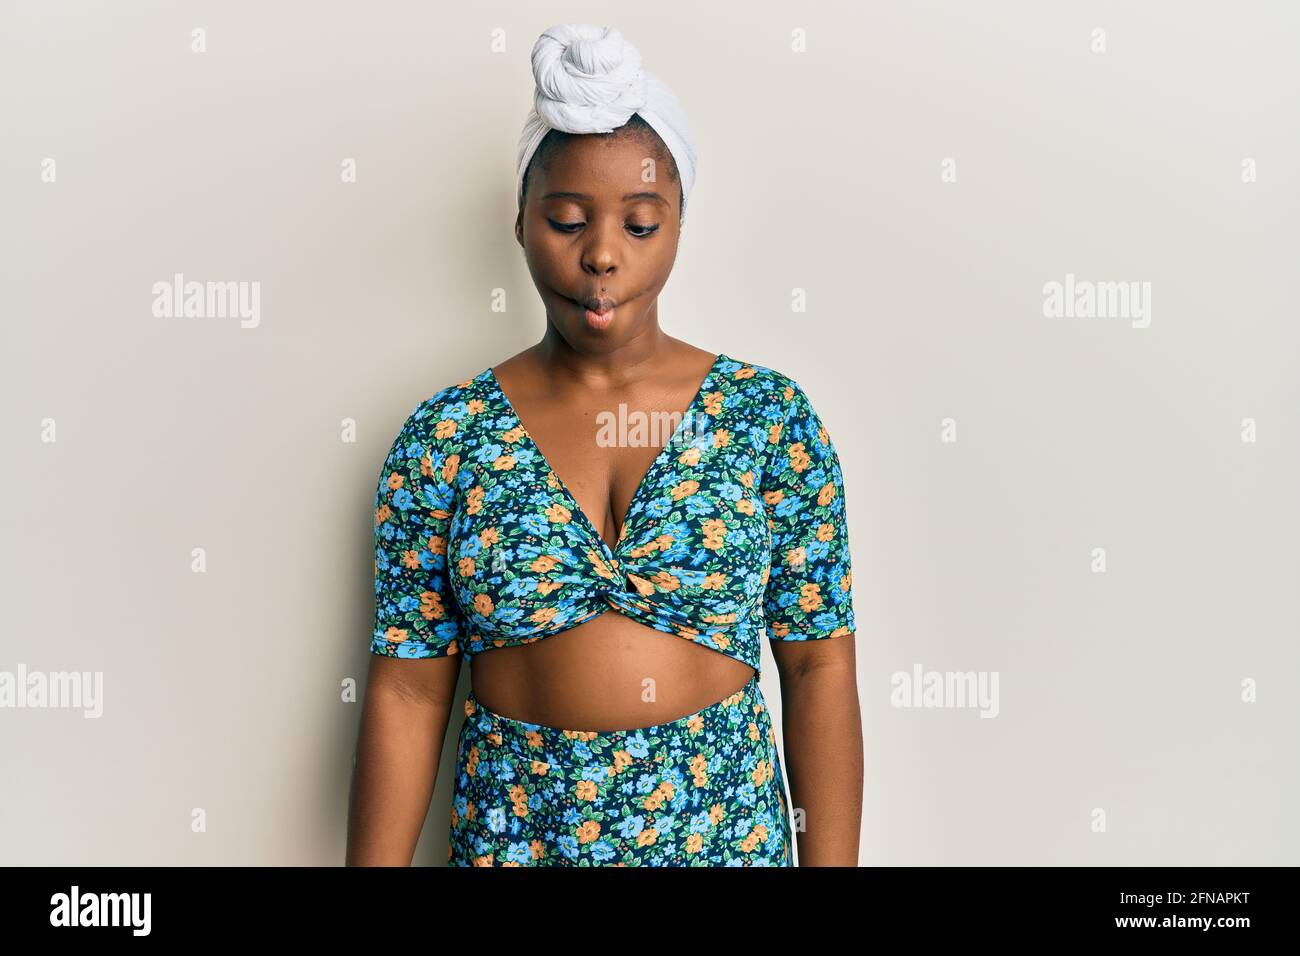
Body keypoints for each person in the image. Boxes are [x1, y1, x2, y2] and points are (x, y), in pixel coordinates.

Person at [347, 23, 861, 867]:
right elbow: (406, 688)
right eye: (567, 219)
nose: (601, 256)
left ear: (682, 222)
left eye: (641, 224)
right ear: (520, 222)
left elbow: (818, 672)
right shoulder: (445, 439)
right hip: (514, 846)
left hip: (725, 847)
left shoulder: (770, 421)